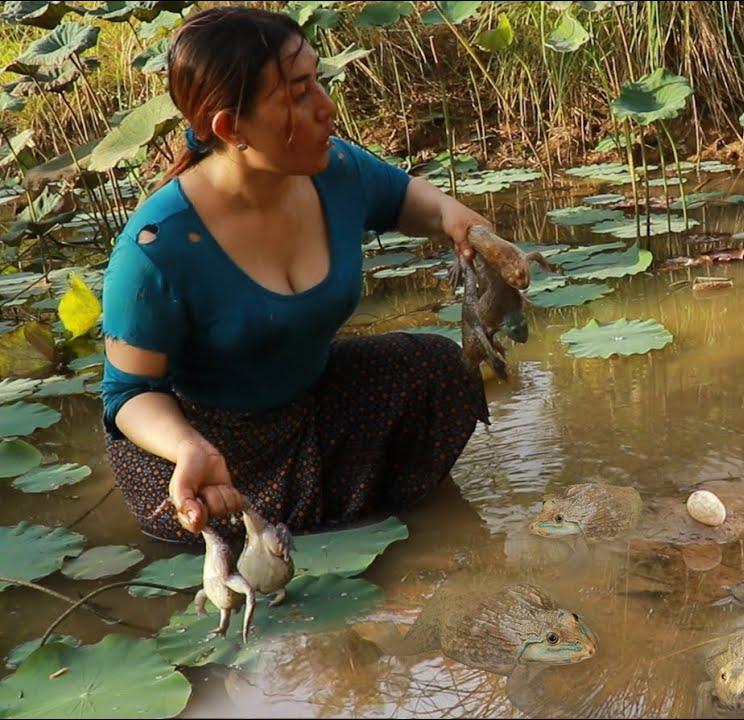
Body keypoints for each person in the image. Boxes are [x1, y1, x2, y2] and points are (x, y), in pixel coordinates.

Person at [101, 6, 493, 544]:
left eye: (319, 81)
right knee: (234, 548)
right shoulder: (156, 249)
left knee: (439, 371)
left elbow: (404, 198)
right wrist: (188, 449)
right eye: (299, 91)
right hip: (209, 447)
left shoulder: (335, 168)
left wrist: (457, 219)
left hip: (310, 403)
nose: (327, 108)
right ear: (230, 126)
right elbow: (128, 393)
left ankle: (410, 535)